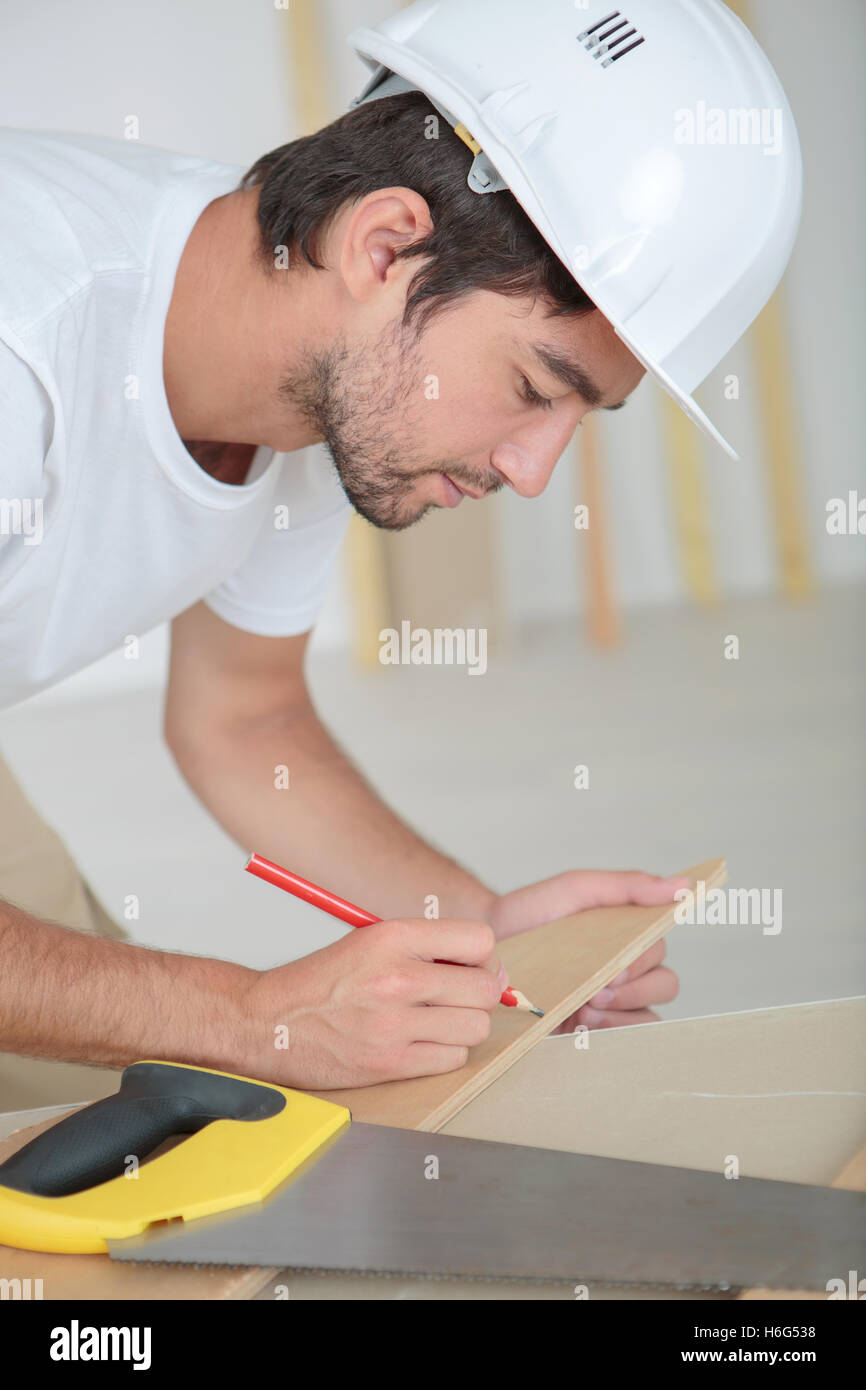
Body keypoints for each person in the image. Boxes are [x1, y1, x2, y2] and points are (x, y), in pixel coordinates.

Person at [0, 0, 801, 1107]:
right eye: (531, 389)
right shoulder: (23, 340)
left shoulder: (313, 371)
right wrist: (253, 1017)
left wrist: (476, 932)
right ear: (384, 246)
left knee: (87, 1123)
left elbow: (244, 721)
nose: (530, 472)